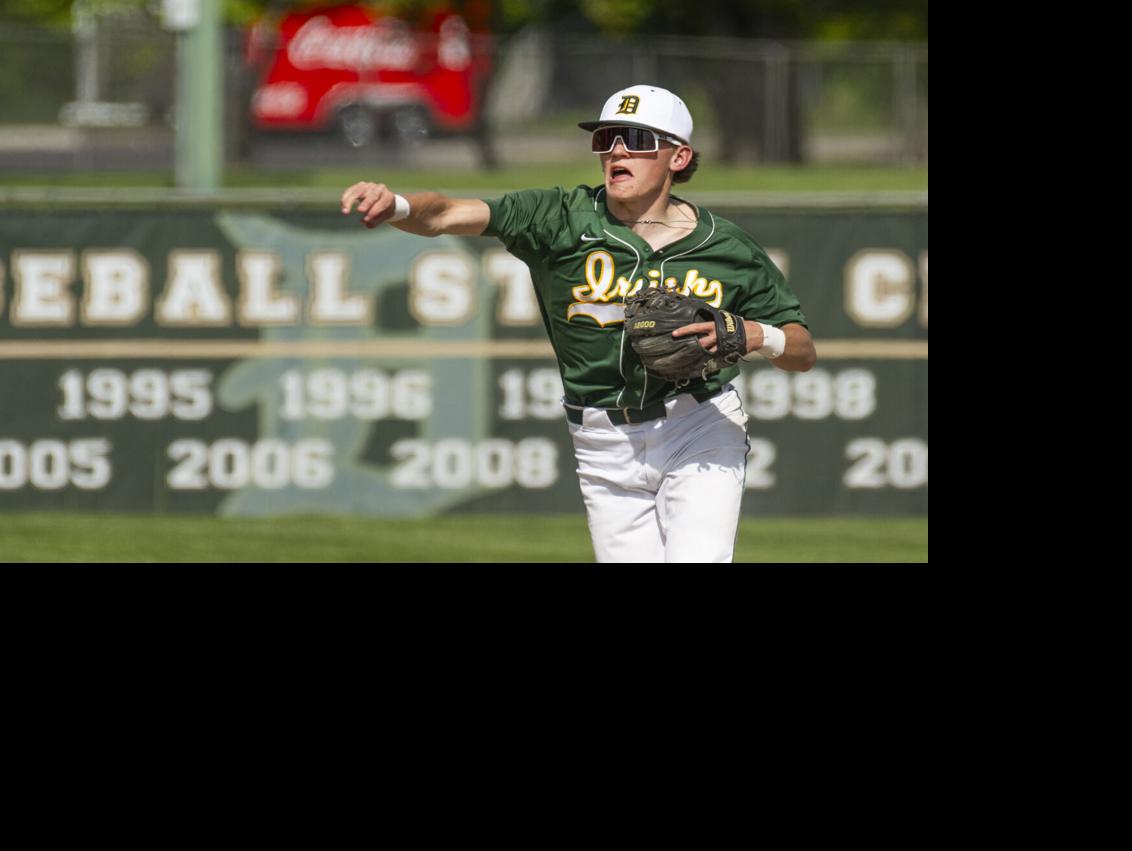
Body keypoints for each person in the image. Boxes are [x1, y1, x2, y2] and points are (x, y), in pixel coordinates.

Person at [340, 84, 816, 562]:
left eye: (637, 138)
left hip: (699, 427)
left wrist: (757, 335)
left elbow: (802, 350)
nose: (617, 150)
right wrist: (396, 205)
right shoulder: (558, 218)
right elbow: (444, 214)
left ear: (679, 157)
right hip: (601, 441)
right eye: (606, 138)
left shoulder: (727, 248)